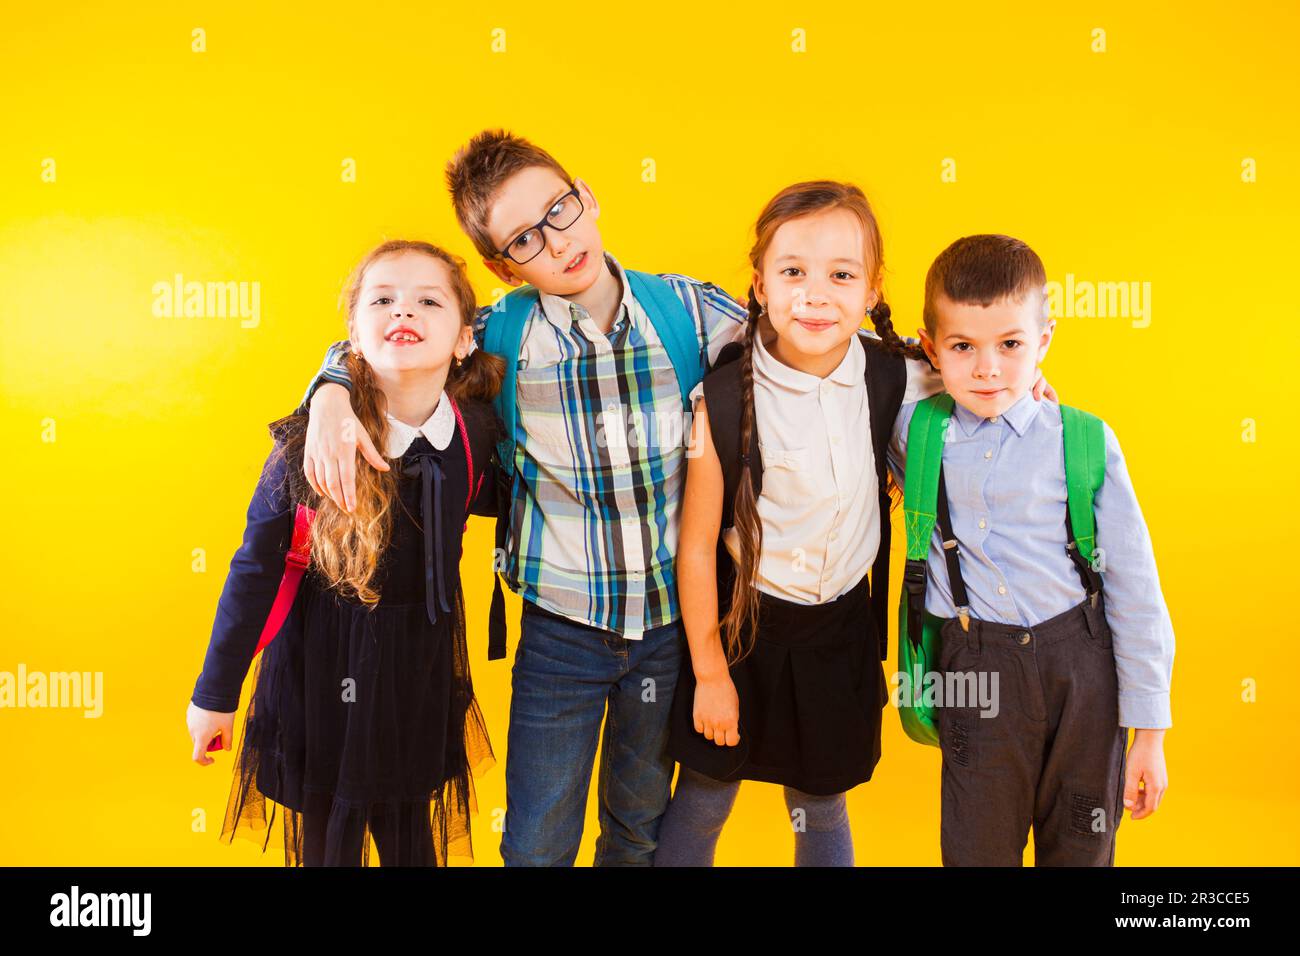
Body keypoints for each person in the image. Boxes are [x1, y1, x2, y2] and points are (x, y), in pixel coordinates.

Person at [296, 130, 750, 865]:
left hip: (672, 629)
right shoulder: (499, 336)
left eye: (561, 211)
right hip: (560, 631)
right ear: (500, 264)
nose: (557, 243)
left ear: (588, 196)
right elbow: (392, 339)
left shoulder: (688, 311)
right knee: (538, 840)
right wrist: (330, 391)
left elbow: (804, 352)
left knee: (637, 827)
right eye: (526, 240)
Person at [187, 239, 504, 866]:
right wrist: (214, 693)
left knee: (413, 836)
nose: (403, 312)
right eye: (382, 299)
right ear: (352, 337)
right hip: (323, 669)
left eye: (428, 300)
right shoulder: (310, 442)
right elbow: (254, 568)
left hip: (422, 669)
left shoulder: (478, 432)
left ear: (465, 337)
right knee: (329, 842)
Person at [888, 233, 1174, 865]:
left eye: (1011, 345)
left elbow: (1136, 588)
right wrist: (925, 361)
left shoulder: (1085, 440)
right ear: (932, 349)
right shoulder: (914, 428)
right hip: (975, 667)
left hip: (1083, 666)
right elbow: (849, 352)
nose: (988, 368)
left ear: (1045, 340)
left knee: (1082, 841)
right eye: (963, 347)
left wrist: (1148, 733)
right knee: (975, 846)